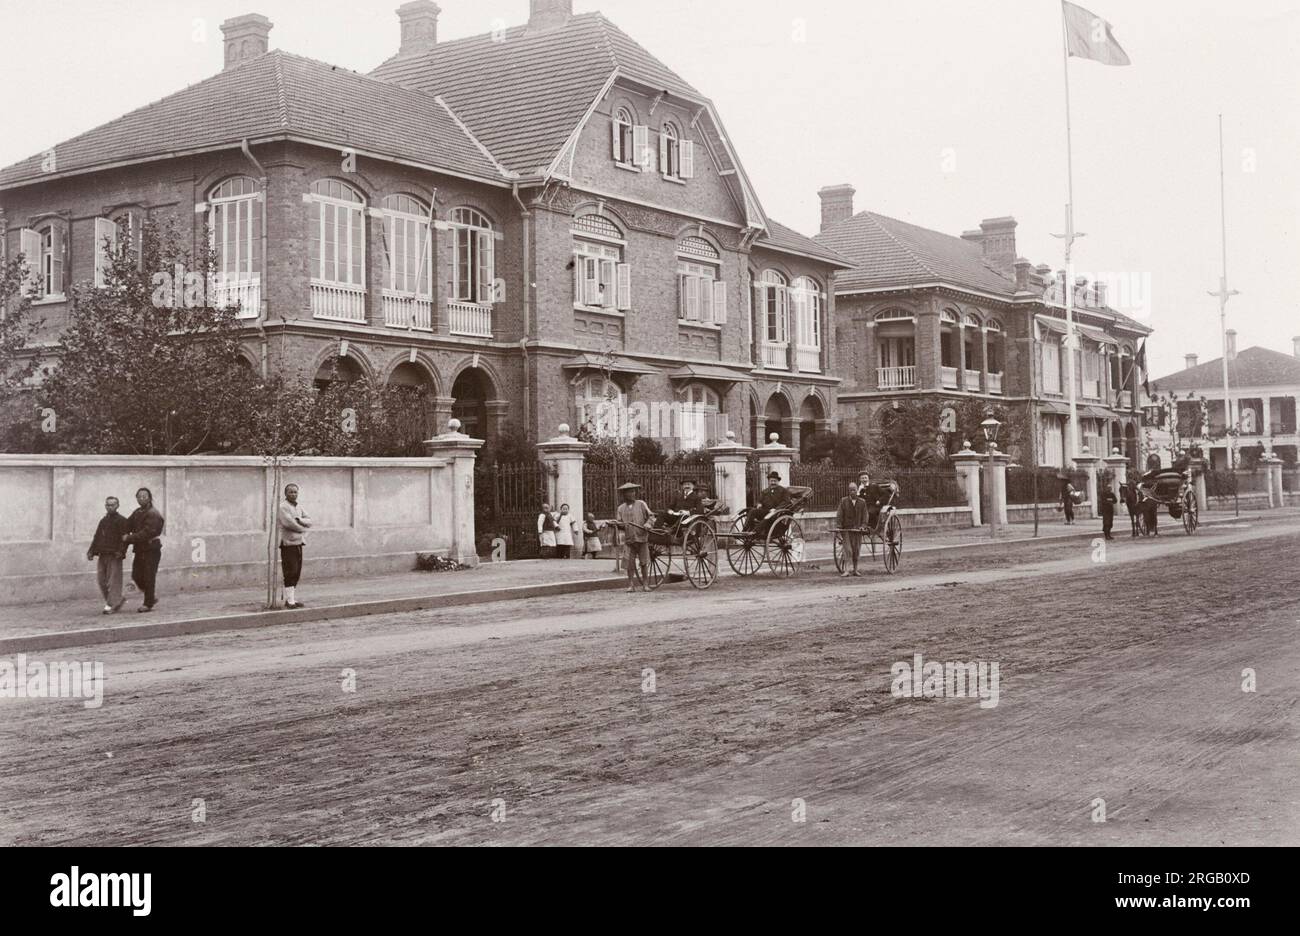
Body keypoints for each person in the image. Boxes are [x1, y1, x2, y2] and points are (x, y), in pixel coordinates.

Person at [123, 487, 165, 612]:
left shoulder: (153, 513)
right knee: (136, 576)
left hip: (151, 549)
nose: (141, 498)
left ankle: (148, 603)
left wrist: (129, 538)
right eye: (139, 496)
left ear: (150, 498)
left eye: (144, 496)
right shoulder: (137, 512)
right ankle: (151, 597)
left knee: (149, 576)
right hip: (140, 549)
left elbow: (147, 533)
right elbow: (127, 524)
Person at [87, 495, 131, 614]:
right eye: (108, 505)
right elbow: (97, 536)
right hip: (103, 554)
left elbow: (125, 539)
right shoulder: (103, 521)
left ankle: (112, 604)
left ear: (117, 506)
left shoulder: (122, 520)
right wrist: (91, 550)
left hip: (114, 555)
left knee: (113, 581)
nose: (110, 507)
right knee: (102, 580)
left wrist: (121, 551)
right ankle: (117, 600)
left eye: (112, 505)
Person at [278, 483, 313, 609]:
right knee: (290, 571)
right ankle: (290, 601)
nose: (293, 494)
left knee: (297, 572)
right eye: (290, 492)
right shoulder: (283, 507)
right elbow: (288, 523)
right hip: (288, 543)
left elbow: (309, 520)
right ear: (285, 494)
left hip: (298, 543)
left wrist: (300, 520)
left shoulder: (299, 507)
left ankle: (291, 599)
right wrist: (302, 529)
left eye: (295, 492)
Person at [614, 482, 652, 593]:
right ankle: (631, 585)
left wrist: (648, 524)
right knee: (629, 563)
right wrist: (618, 524)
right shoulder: (621, 508)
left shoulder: (641, 504)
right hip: (629, 540)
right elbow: (619, 522)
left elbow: (651, 516)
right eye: (630, 492)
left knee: (644, 562)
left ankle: (645, 584)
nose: (633, 493)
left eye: (633, 491)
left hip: (642, 538)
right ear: (624, 494)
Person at [835, 482, 868, 578]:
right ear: (848, 491)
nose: (852, 492)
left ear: (857, 490)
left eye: (854, 490)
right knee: (848, 550)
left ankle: (855, 569)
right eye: (850, 490)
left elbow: (865, 515)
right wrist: (839, 525)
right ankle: (846, 570)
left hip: (858, 530)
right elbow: (839, 514)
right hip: (846, 529)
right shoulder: (843, 501)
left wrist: (863, 525)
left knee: (856, 550)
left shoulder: (862, 502)